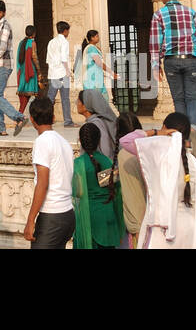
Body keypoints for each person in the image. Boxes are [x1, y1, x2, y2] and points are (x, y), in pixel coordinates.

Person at [125, 112, 196, 249]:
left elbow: (126, 141)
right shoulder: (192, 161)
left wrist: (156, 132)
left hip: (162, 227)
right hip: (187, 224)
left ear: (165, 128)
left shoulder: (157, 153)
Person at [151, 0, 196, 128]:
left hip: (171, 61)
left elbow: (155, 43)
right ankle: (194, 129)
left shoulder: (158, 15)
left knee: (178, 99)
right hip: (191, 60)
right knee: (193, 98)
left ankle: (183, 132)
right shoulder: (191, 12)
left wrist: (155, 65)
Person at [22, 94, 74, 248]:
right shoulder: (64, 142)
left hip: (52, 215)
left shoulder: (42, 142)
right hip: (68, 214)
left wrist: (31, 219)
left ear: (32, 119)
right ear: (53, 117)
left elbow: (43, 183)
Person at [72, 122, 123, 249]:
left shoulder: (78, 164)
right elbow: (114, 189)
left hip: (89, 217)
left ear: (80, 141)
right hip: (107, 215)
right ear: (99, 140)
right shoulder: (107, 162)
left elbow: (77, 193)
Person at [0, 0, 30, 136]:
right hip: (0, 65)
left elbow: (3, 46)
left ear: (4, 12)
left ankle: (19, 117)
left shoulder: (5, 26)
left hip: (4, 63)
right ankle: (1, 128)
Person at [114, 111, 145, 249]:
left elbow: (131, 194)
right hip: (150, 215)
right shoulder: (147, 150)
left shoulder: (123, 154)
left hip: (135, 219)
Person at [45, 21, 76, 127]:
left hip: (52, 73)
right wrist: (68, 71)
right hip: (62, 73)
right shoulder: (64, 42)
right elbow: (64, 58)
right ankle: (68, 121)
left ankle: (46, 120)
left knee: (50, 99)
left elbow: (48, 59)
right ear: (65, 31)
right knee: (65, 98)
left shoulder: (51, 42)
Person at [75, 88, 118, 160]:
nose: (76, 103)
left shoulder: (96, 124)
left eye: (78, 101)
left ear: (85, 105)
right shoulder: (95, 122)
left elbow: (106, 151)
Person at [77, 29, 110, 94]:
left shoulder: (93, 48)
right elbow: (99, 62)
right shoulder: (91, 48)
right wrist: (111, 72)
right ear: (92, 38)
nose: (99, 38)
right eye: (97, 36)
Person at [16, 24, 38, 113]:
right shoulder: (32, 43)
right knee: (29, 95)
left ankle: (20, 115)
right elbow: (35, 58)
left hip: (21, 72)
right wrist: (39, 71)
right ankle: (19, 116)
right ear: (34, 34)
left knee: (23, 95)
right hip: (30, 72)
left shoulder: (21, 43)